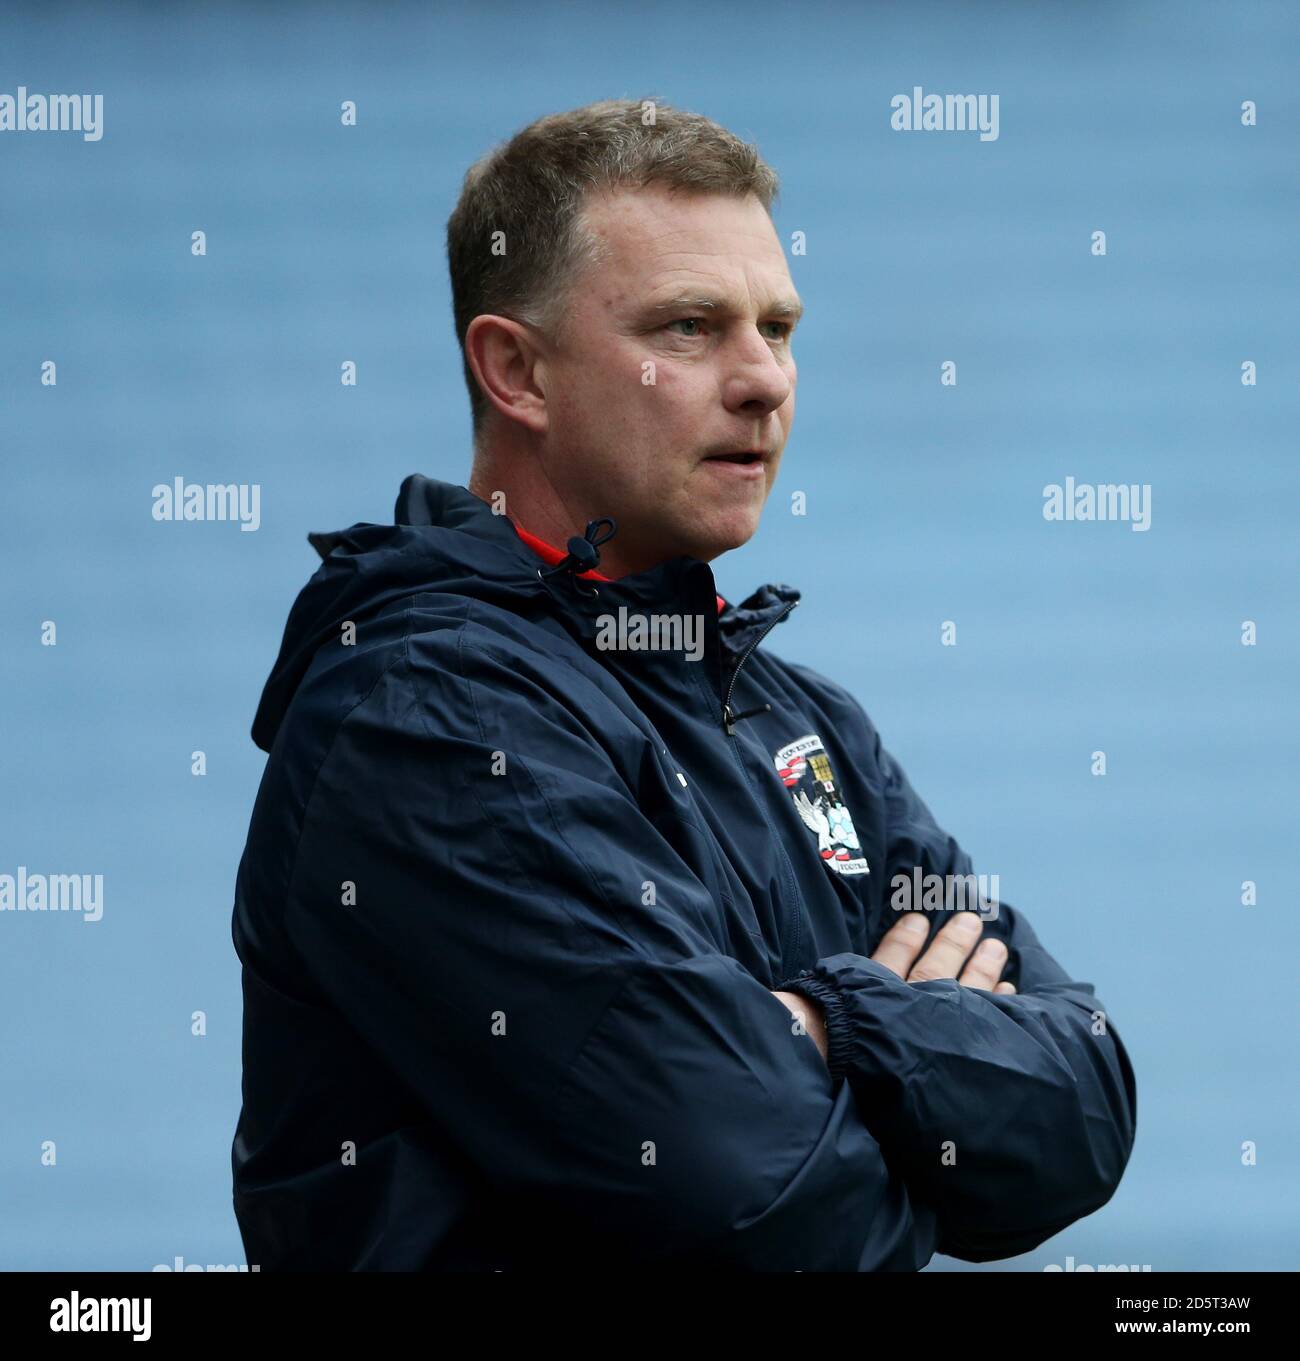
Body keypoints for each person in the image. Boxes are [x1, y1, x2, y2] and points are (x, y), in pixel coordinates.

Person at [230, 98, 1137, 1271]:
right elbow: (757, 1207)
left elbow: (1085, 1107)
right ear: (517, 370)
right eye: (693, 326)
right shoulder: (422, 717)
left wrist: (826, 1022)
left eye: (779, 326)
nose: (765, 380)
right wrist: (905, 1042)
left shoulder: (800, 717)